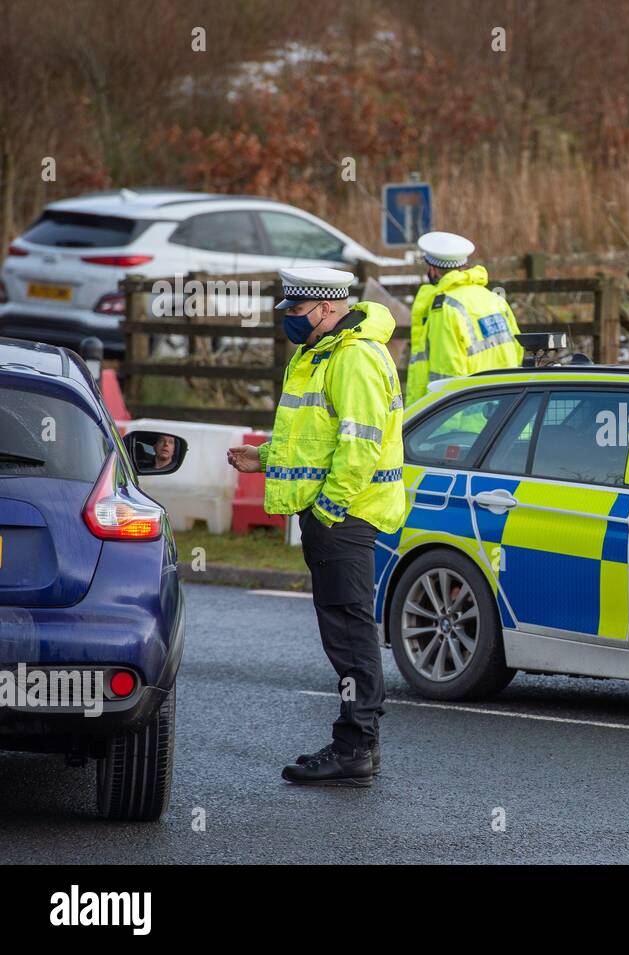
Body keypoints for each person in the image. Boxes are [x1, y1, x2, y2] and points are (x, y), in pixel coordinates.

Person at [226, 267, 405, 787]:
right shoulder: (322, 352)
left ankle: (356, 746)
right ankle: (357, 745)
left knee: (350, 632)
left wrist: (329, 508)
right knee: (343, 629)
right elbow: (317, 434)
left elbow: (361, 445)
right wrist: (264, 459)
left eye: (297, 312)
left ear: (327, 308)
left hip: (344, 515)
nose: (291, 321)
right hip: (333, 513)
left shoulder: (353, 356)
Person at [405, 230, 524, 400]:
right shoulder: (494, 299)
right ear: (463, 266)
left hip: (465, 417)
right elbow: (518, 351)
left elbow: (446, 374)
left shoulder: (445, 307)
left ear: (433, 270)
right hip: (507, 407)